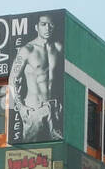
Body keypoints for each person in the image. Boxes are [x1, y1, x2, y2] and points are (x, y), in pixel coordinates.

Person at [7, 14, 63, 143]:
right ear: (36, 27)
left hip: (54, 110)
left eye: (50, 25)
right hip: (34, 109)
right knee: (29, 156)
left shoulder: (58, 48)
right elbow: (12, 80)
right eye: (43, 24)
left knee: (57, 154)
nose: (47, 28)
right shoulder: (27, 50)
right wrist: (21, 107)